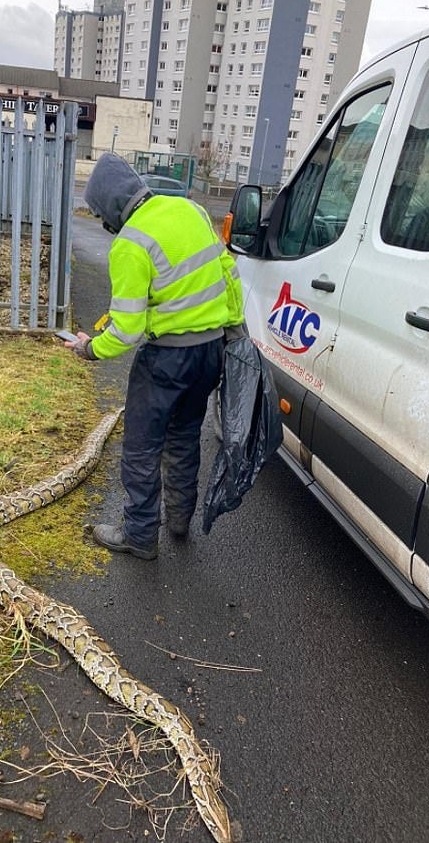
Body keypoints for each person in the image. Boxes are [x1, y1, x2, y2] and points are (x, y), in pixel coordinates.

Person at [65, 153, 244, 561]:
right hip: (210, 352)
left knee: (142, 447)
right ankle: (179, 519)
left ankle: (140, 535)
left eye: (99, 214)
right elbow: (228, 273)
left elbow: (126, 331)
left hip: (166, 360)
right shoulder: (191, 209)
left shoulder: (130, 245)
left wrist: (89, 348)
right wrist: (234, 330)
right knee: (184, 436)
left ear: (110, 207)